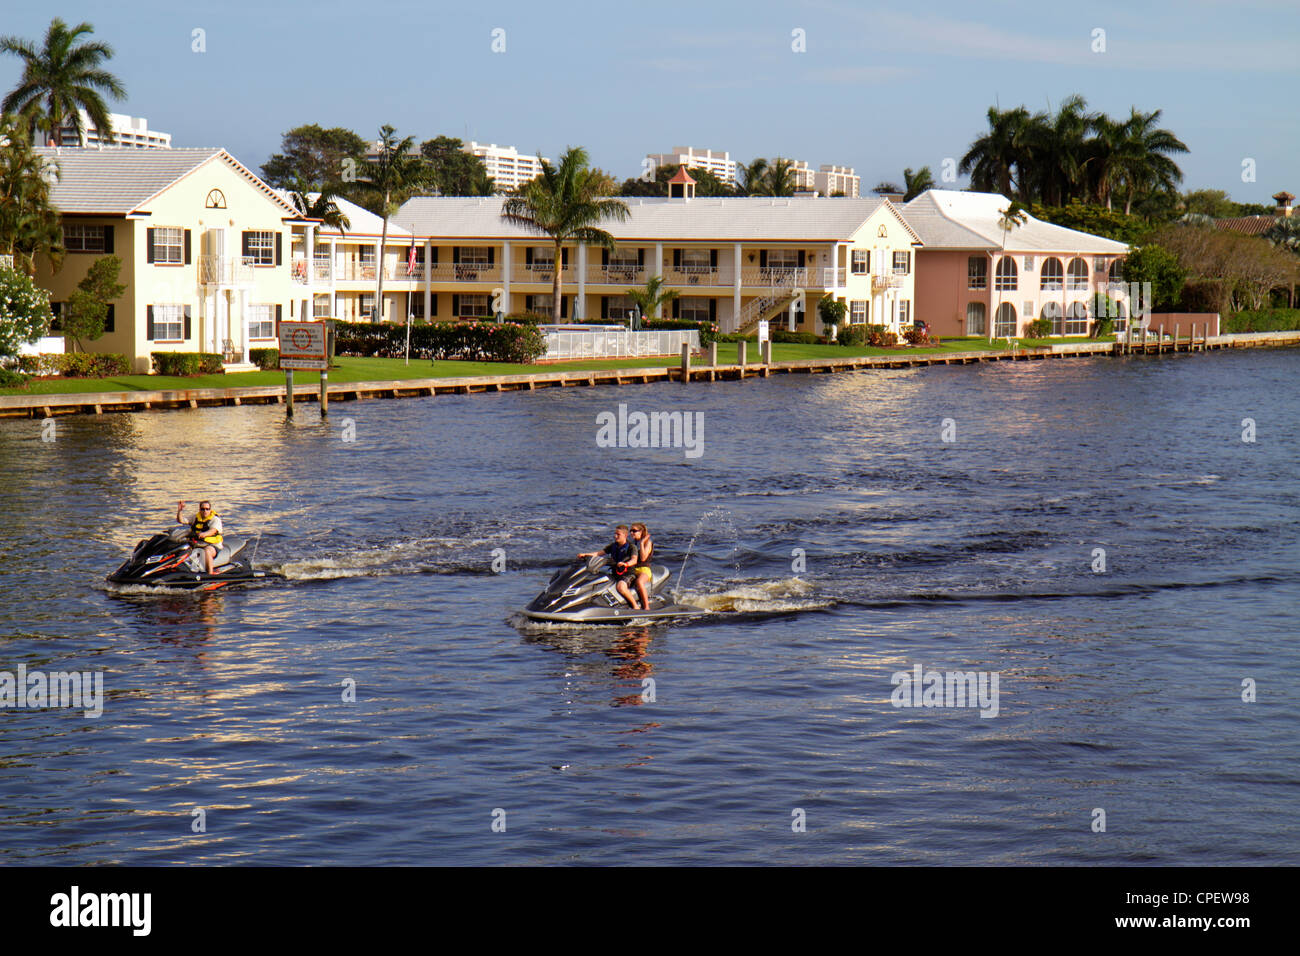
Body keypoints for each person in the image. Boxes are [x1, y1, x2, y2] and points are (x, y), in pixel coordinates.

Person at [579, 525, 640, 608]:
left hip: (627, 574)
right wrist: (585, 555)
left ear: (625, 535)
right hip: (615, 573)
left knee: (621, 587)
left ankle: (635, 606)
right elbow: (598, 554)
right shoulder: (613, 546)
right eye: (615, 534)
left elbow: (634, 560)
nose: (615, 536)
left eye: (618, 534)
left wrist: (626, 564)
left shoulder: (631, 547)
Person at [177, 499, 223, 574]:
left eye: (207, 509)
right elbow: (181, 520)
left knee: (207, 551)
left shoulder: (215, 520)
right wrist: (180, 511)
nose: (205, 511)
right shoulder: (195, 517)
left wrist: (204, 534)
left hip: (212, 545)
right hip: (198, 543)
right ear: (200, 510)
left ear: (210, 509)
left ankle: (210, 575)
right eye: (203, 509)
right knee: (182, 548)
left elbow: (213, 531)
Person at [628, 522, 655, 612]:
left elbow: (643, 558)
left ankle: (646, 607)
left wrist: (642, 543)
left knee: (639, 582)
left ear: (641, 532)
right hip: (633, 570)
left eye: (634, 531)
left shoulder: (648, 542)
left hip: (644, 570)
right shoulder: (632, 543)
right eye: (630, 531)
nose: (631, 533)